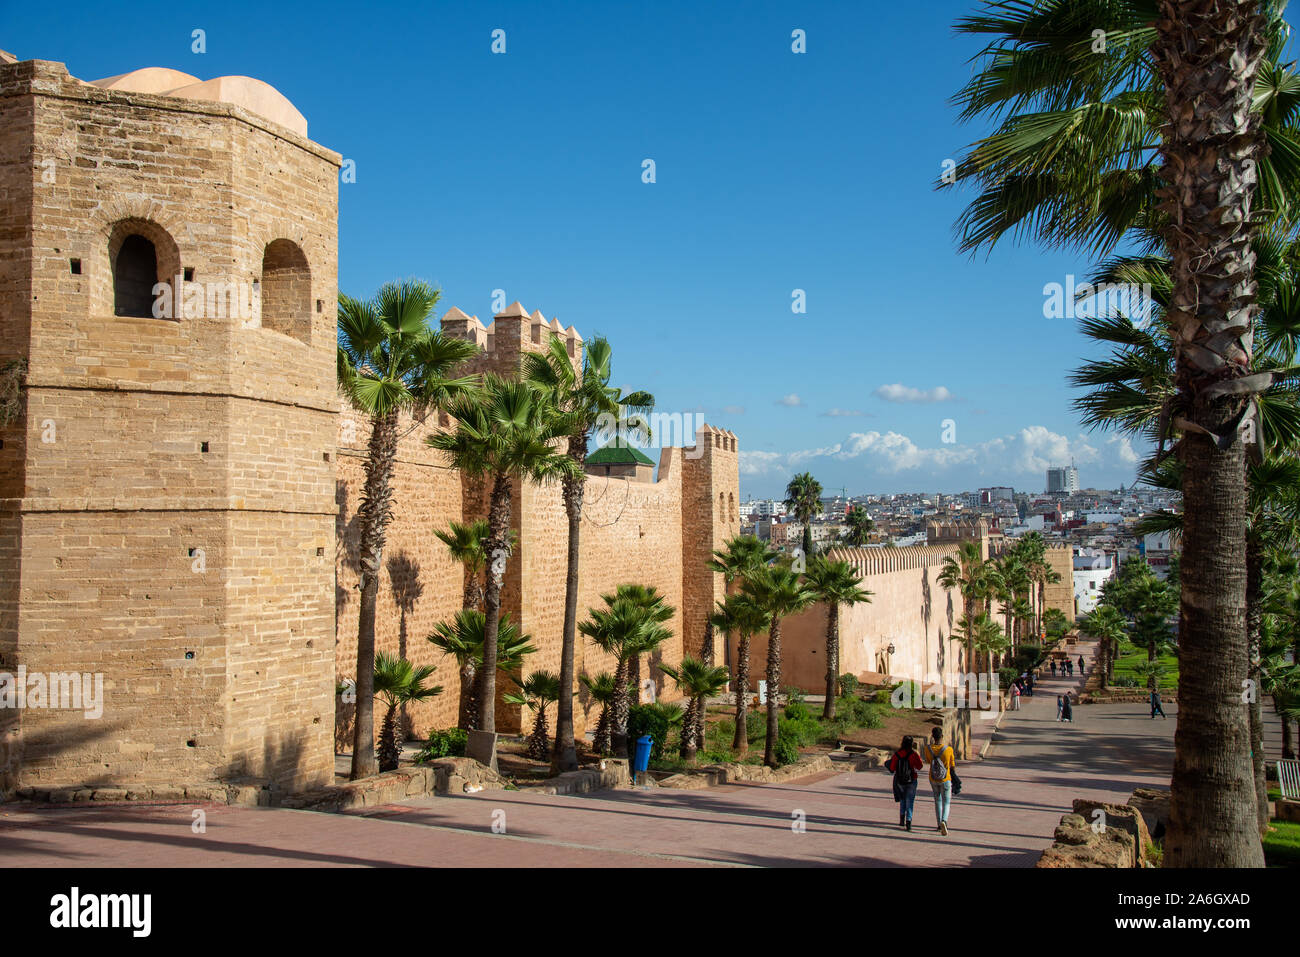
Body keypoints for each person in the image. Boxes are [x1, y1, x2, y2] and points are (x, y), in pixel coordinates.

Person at [921, 726, 956, 836]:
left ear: (932, 737)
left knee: (937, 801)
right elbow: (952, 764)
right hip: (945, 778)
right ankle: (944, 821)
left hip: (933, 778)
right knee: (946, 802)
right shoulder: (948, 749)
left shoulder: (928, 749)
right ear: (942, 736)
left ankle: (938, 824)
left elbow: (927, 760)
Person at [886, 735, 923, 831]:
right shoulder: (913, 754)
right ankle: (909, 821)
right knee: (910, 801)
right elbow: (920, 766)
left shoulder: (897, 754)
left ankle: (902, 818)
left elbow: (892, 768)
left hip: (899, 780)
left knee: (902, 798)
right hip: (911, 779)